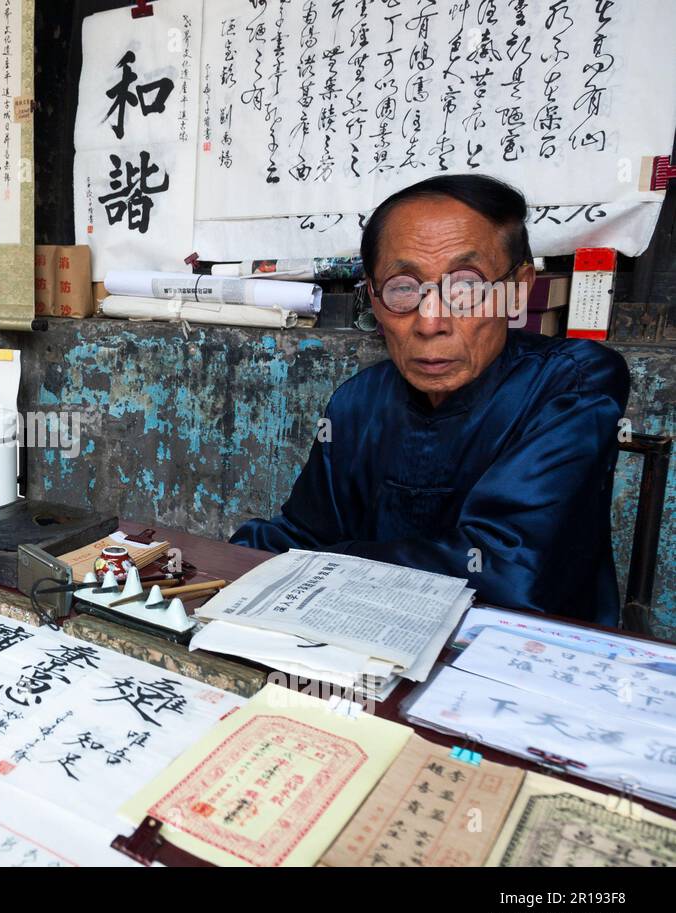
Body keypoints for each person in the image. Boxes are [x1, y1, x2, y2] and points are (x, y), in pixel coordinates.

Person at [231, 174, 630, 627]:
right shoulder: (358, 402)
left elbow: (507, 574)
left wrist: (324, 560)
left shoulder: (572, 382)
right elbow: (304, 534)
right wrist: (227, 558)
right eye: (403, 288)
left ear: (518, 289)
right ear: (376, 301)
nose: (430, 321)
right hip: (369, 646)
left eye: (465, 287)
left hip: (517, 660)